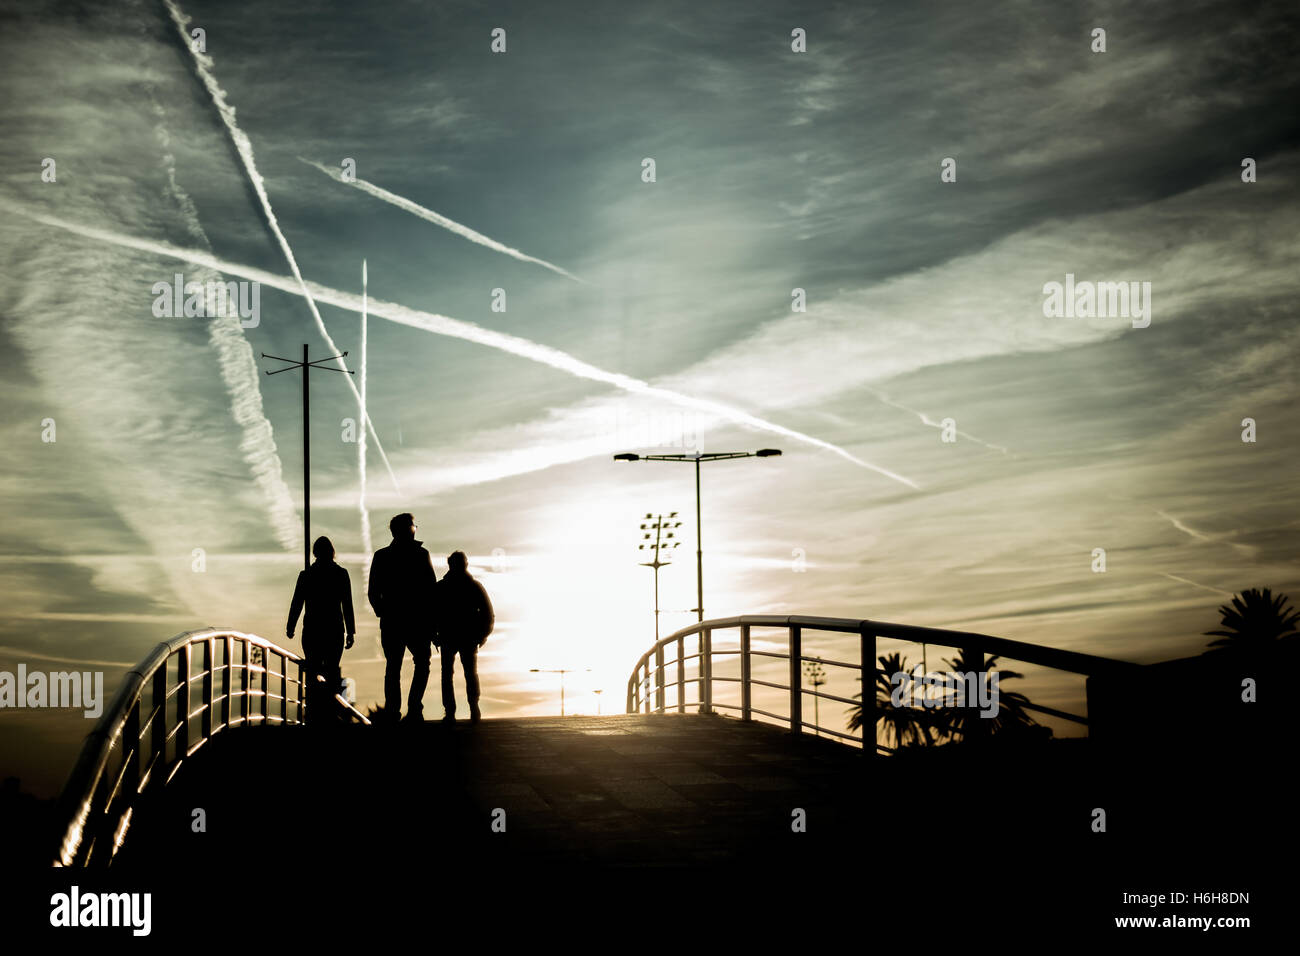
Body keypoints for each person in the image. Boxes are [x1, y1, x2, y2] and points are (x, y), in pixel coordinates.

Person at [368, 513, 438, 723]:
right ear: (408, 530)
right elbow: (431, 590)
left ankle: (394, 710)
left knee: (394, 667)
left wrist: (383, 610)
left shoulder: (382, 556)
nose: (415, 529)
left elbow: (373, 591)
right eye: (413, 527)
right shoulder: (420, 554)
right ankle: (413, 707)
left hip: (395, 620)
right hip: (415, 620)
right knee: (418, 664)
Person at [286, 536, 355, 725]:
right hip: (334, 630)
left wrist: (291, 625)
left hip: (312, 630)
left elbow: (297, 603)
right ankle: (331, 714)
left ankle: (315, 715)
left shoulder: (307, 575)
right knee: (331, 672)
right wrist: (351, 631)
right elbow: (347, 605)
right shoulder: (341, 574)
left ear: (315, 553)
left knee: (313, 671)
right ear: (332, 552)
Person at [437, 550, 494, 722]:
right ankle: (461, 709)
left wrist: (483, 634)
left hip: (460, 636)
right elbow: (488, 613)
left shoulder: (443, 587)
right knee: (463, 673)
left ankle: (460, 710)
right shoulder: (472, 586)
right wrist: (482, 635)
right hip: (460, 636)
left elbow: (488, 614)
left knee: (453, 674)